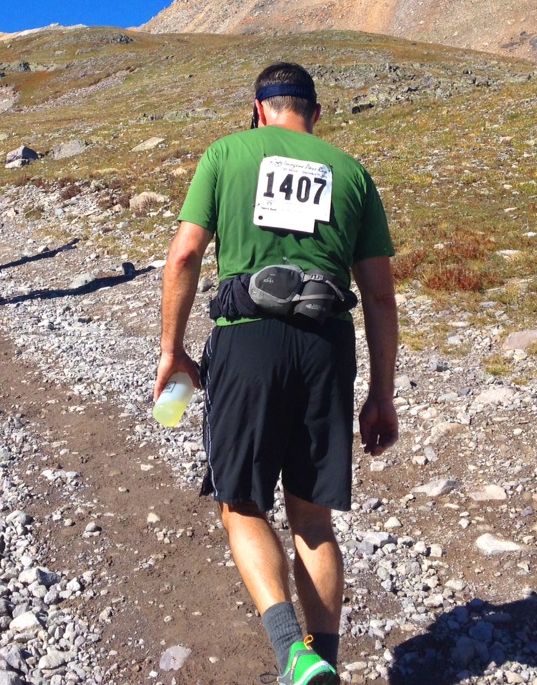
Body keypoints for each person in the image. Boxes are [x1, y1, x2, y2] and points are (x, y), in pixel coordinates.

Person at [155, 63, 400, 685]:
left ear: (259, 109)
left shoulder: (226, 153)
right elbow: (379, 295)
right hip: (326, 348)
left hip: (249, 340)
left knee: (241, 502)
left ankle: (293, 651)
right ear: (315, 113)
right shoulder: (351, 172)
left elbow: (184, 255)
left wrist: (171, 350)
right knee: (313, 520)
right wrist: (381, 394)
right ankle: (324, 663)